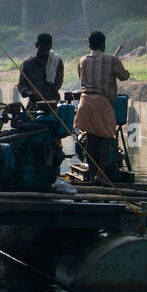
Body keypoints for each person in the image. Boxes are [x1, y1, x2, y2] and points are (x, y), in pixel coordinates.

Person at [74, 30, 130, 183]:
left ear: (90, 45)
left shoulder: (82, 60)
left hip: (84, 102)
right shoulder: (112, 60)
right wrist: (121, 68)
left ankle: (93, 177)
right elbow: (124, 76)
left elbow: (82, 78)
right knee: (106, 138)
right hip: (102, 102)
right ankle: (100, 174)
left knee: (91, 138)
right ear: (103, 44)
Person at [18, 33, 64, 107]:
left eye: (47, 49)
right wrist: (27, 92)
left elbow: (58, 83)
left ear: (51, 46)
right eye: (42, 49)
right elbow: (22, 84)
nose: (44, 52)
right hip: (34, 104)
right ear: (36, 45)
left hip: (53, 103)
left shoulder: (57, 61)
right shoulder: (28, 63)